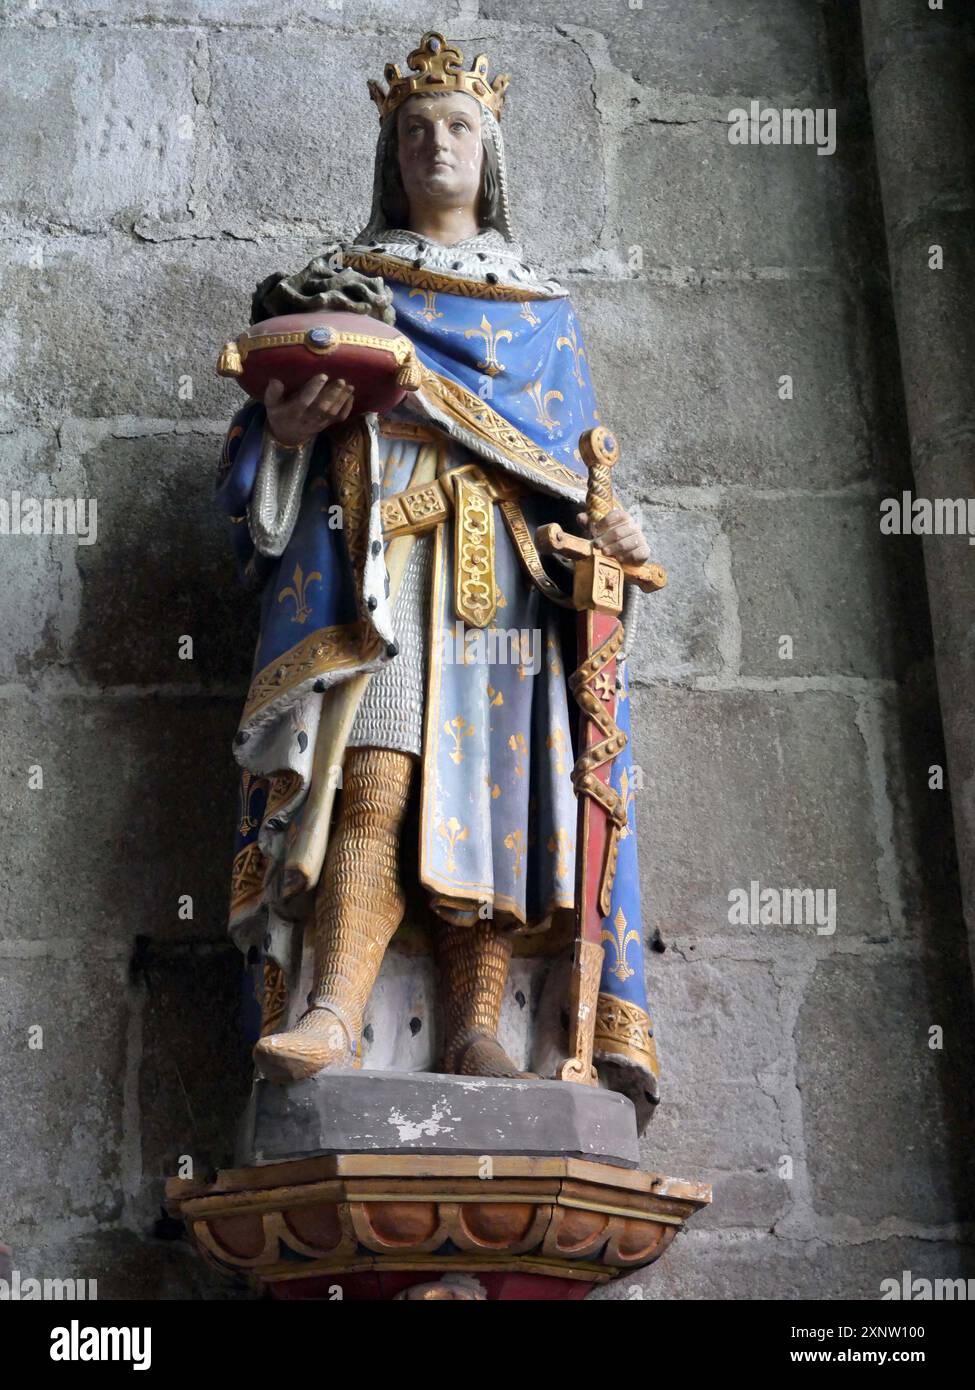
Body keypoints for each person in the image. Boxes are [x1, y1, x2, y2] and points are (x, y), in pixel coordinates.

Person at [216, 33, 660, 1120]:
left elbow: (581, 463)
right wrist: (284, 428)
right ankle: (332, 1005)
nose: (435, 145)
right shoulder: (347, 288)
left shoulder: (543, 315)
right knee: (368, 778)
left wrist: (619, 530)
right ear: (390, 154)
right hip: (381, 569)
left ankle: (475, 1024)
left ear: (491, 148)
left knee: (500, 796)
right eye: (413, 131)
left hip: (505, 575)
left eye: (458, 125)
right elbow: (255, 460)